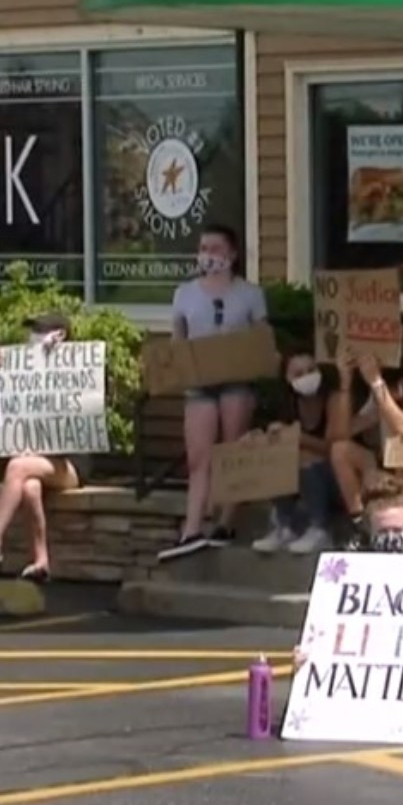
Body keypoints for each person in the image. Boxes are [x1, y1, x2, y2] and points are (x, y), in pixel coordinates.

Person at [290, 506, 403, 732]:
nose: (391, 537)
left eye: (398, 529)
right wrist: (306, 662)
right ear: (371, 534)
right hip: (364, 679)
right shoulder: (351, 577)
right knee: (313, 705)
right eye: (383, 531)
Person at [161, 224, 269, 561]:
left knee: (231, 451)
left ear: (232, 255)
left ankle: (226, 521)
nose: (208, 254)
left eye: (215, 248)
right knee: (199, 457)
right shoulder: (185, 293)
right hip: (200, 382)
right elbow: (177, 339)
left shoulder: (250, 294)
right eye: (203, 247)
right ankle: (192, 528)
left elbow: (261, 336)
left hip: (237, 380)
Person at [0, 312, 83, 581]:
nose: (32, 337)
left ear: (58, 335)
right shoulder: (22, 368)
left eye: (39, 331)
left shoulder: (75, 367)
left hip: (68, 465)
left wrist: (57, 358)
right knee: (29, 486)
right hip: (35, 464)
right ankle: (41, 561)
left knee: (18, 467)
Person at [331, 351, 403, 547]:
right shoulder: (379, 399)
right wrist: (345, 385)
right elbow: (341, 434)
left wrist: (378, 384)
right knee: (340, 450)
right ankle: (362, 525)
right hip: (387, 464)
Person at [250, 350, 349, 555]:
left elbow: (333, 447)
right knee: (277, 455)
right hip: (301, 481)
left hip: (337, 479)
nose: (306, 377)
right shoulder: (286, 405)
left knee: (302, 456)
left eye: (311, 370)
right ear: (287, 379)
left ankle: (319, 528)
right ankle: (284, 526)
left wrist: (298, 438)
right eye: (299, 373)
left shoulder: (333, 399)